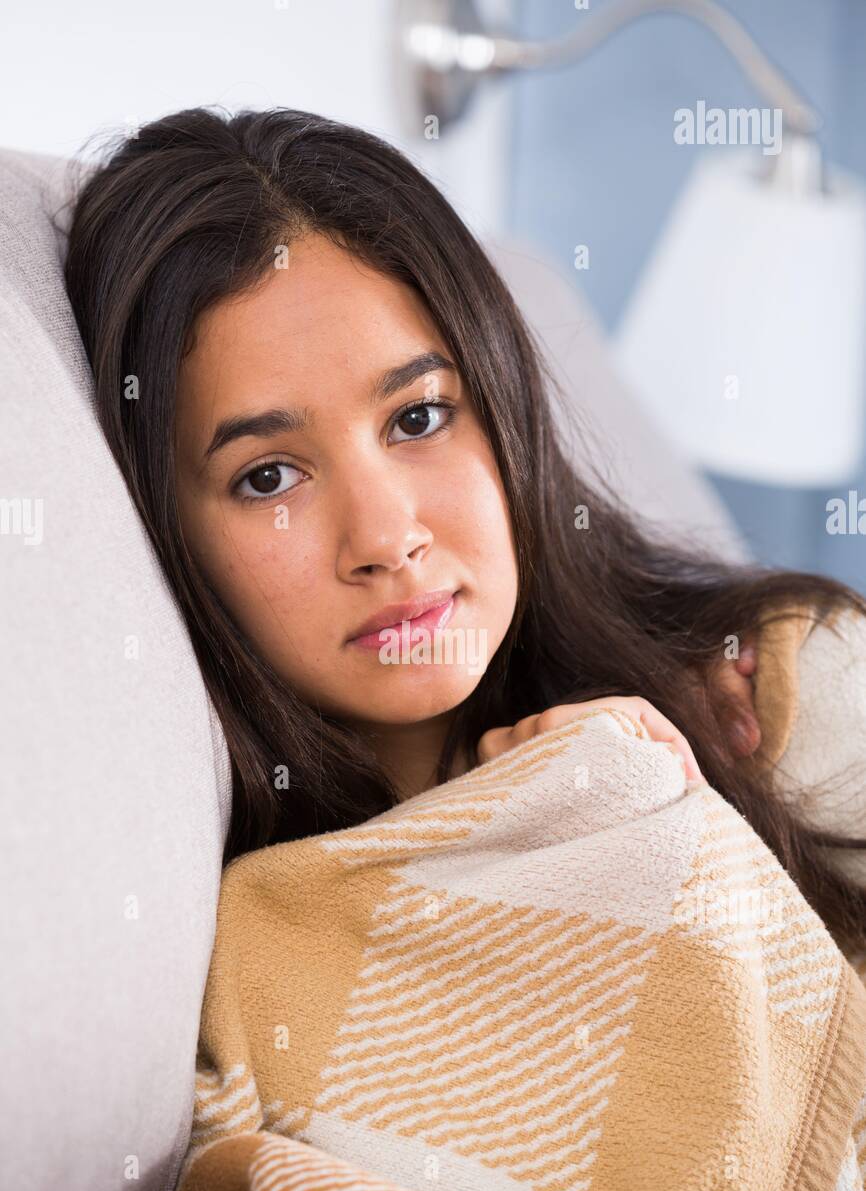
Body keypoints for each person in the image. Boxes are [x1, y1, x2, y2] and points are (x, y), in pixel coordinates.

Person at [62, 105, 866, 956]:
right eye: (269, 477)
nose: (386, 538)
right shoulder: (234, 927)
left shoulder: (788, 688)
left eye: (418, 417)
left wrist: (684, 825)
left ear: (504, 398)